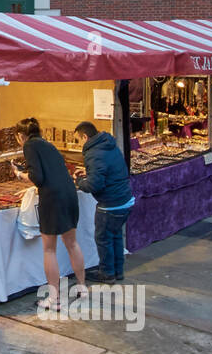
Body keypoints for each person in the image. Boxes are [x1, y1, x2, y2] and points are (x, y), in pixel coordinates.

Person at [12, 117, 86, 309]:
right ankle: (81, 287)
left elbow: (37, 177)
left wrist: (20, 174)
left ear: (21, 136)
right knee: (72, 243)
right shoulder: (48, 145)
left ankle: (54, 299)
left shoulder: (29, 146)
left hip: (53, 199)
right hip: (69, 193)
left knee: (49, 249)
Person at [72, 121, 135, 283]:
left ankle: (107, 273)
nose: (78, 145)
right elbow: (109, 169)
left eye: (78, 140)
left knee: (104, 238)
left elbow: (94, 185)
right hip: (125, 199)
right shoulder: (108, 144)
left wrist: (78, 181)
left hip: (111, 204)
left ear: (84, 137)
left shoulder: (94, 153)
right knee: (115, 236)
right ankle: (117, 271)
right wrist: (89, 171)